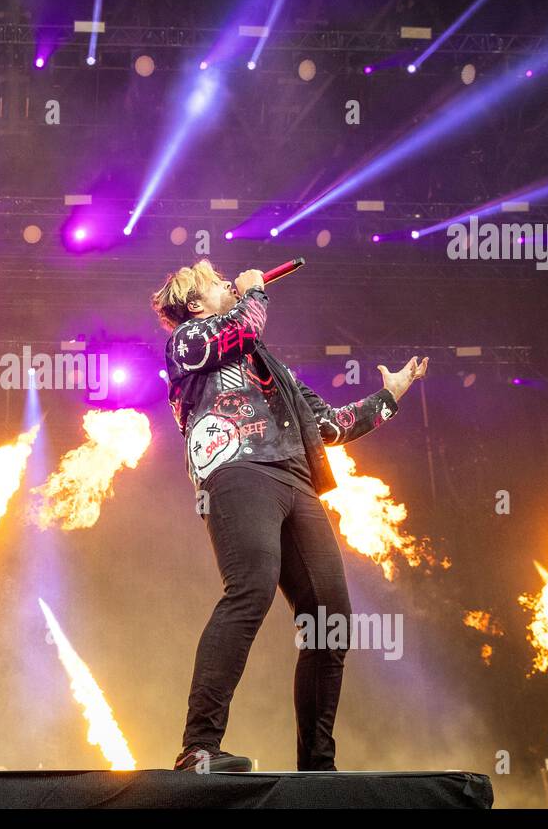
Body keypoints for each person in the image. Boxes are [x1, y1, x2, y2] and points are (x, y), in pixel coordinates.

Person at [151, 259, 427, 773]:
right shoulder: (189, 340)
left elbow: (326, 424)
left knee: (330, 617)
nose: (230, 285)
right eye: (217, 284)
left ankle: (317, 765)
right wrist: (257, 292)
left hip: (295, 478)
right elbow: (241, 326)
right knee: (250, 590)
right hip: (237, 469)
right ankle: (199, 746)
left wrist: (389, 398)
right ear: (193, 303)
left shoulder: (264, 361)